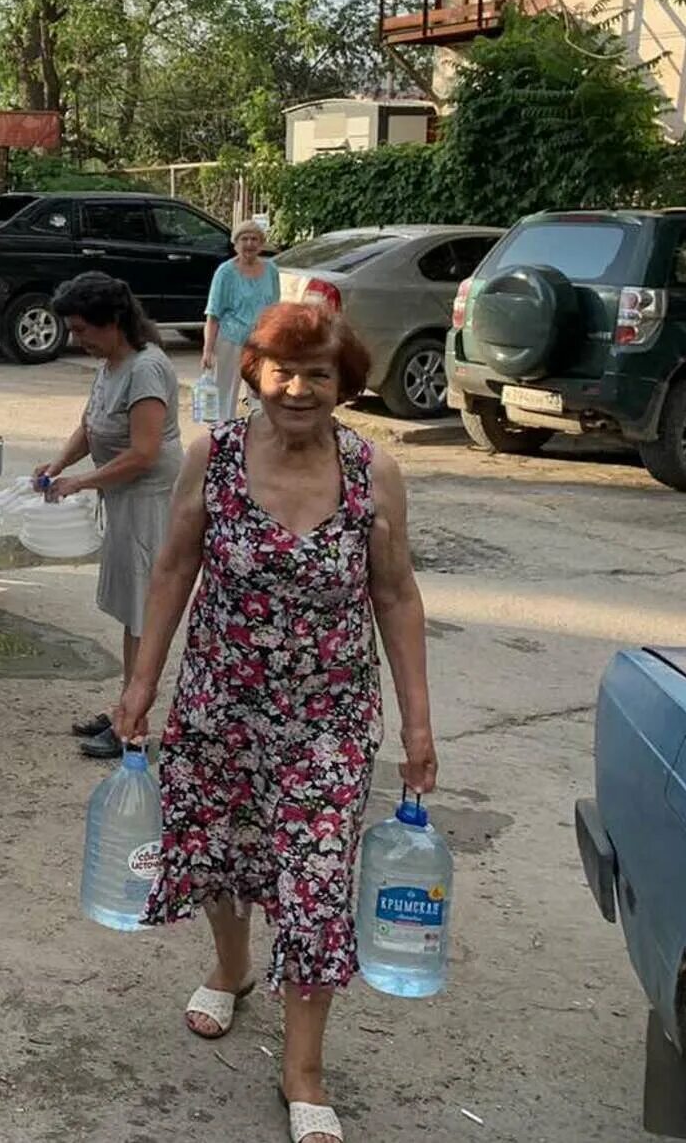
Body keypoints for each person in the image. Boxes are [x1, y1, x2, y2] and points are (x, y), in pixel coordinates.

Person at [112, 304, 439, 1143]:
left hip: (329, 717)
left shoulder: (373, 472)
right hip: (221, 702)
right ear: (253, 374)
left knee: (316, 882)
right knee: (219, 849)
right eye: (282, 371)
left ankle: (303, 1069)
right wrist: (142, 682)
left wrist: (418, 727)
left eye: (318, 374)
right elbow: (176, 565)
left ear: (344, 384)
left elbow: (397, 596)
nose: (298, 389)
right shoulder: (213, 458)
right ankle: (230, 965)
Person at [30, 273, 182, 759]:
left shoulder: (146, 369)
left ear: (113, 322)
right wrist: (58, 465)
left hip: (148, 502)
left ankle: (131, 726)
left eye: (82, 330)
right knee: (130, 613)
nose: (78, 340)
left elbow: (144, 452)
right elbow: (90, 425)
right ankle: (125, 705)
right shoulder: (111, 364)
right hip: (122, 499)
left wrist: (83, 482)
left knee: (144, 616)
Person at [199, 219, 281, 419]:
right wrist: (208, 350)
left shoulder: (271, 270)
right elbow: (213, 314)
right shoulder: (225, 272)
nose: (250, 244)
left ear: (261, 244)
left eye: (254, 239)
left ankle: (259, 434)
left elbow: (276, 309)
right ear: (236, 244)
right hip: (230, 340)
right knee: (224, 392)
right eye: (244, 239)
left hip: (261, 342)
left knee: (261, 392)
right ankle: (220, 435)